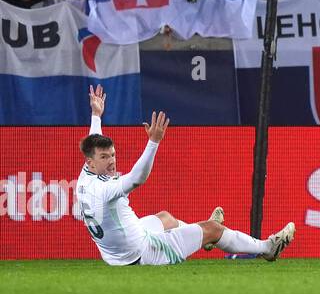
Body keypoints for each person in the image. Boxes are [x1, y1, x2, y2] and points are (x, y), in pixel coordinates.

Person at [76, 86, 294, 266]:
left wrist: (96, 115)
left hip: (115, 253)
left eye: (112, 155)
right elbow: (137, 178)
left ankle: (202, 237)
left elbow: (94, 143)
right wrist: (154, 142)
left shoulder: (86, 176)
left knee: (166, 218)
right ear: (91, 161)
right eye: (105, 157)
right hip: (141, 254)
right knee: (213, 229)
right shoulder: (105, 189)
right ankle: (267, 248)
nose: (112, 161)